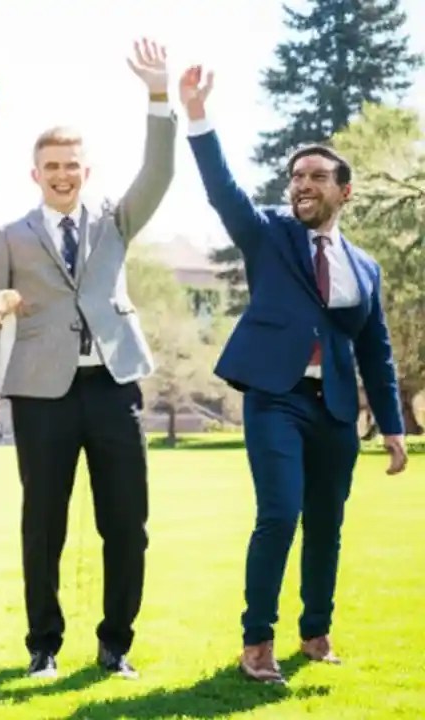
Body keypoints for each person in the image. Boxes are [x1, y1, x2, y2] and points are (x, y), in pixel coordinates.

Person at [179, 64, 408, 684]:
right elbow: (223, 189)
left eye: (316, 176)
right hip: (276, 398)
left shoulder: (365, 268)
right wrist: (197, 116)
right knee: (279, 514)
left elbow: (376, 350)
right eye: (295, 177)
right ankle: (257, 642)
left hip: (336, 408)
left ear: (344, 191)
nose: (302, 185)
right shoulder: (268, 236)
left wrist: (391, 426)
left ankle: (316, 632)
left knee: (327, 525)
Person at [0, 38, 177, 680]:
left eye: (72, 165)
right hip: (40, 395)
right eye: (51, 165)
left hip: (114, 389)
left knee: (126, 526)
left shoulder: (116, 222)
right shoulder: (9, 237)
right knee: (43, 527)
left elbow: (161, 173)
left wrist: (160, 96)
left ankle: (116, 645)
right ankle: (43, 647)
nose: (62, 174)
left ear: (87, 169)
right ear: (36, 173)